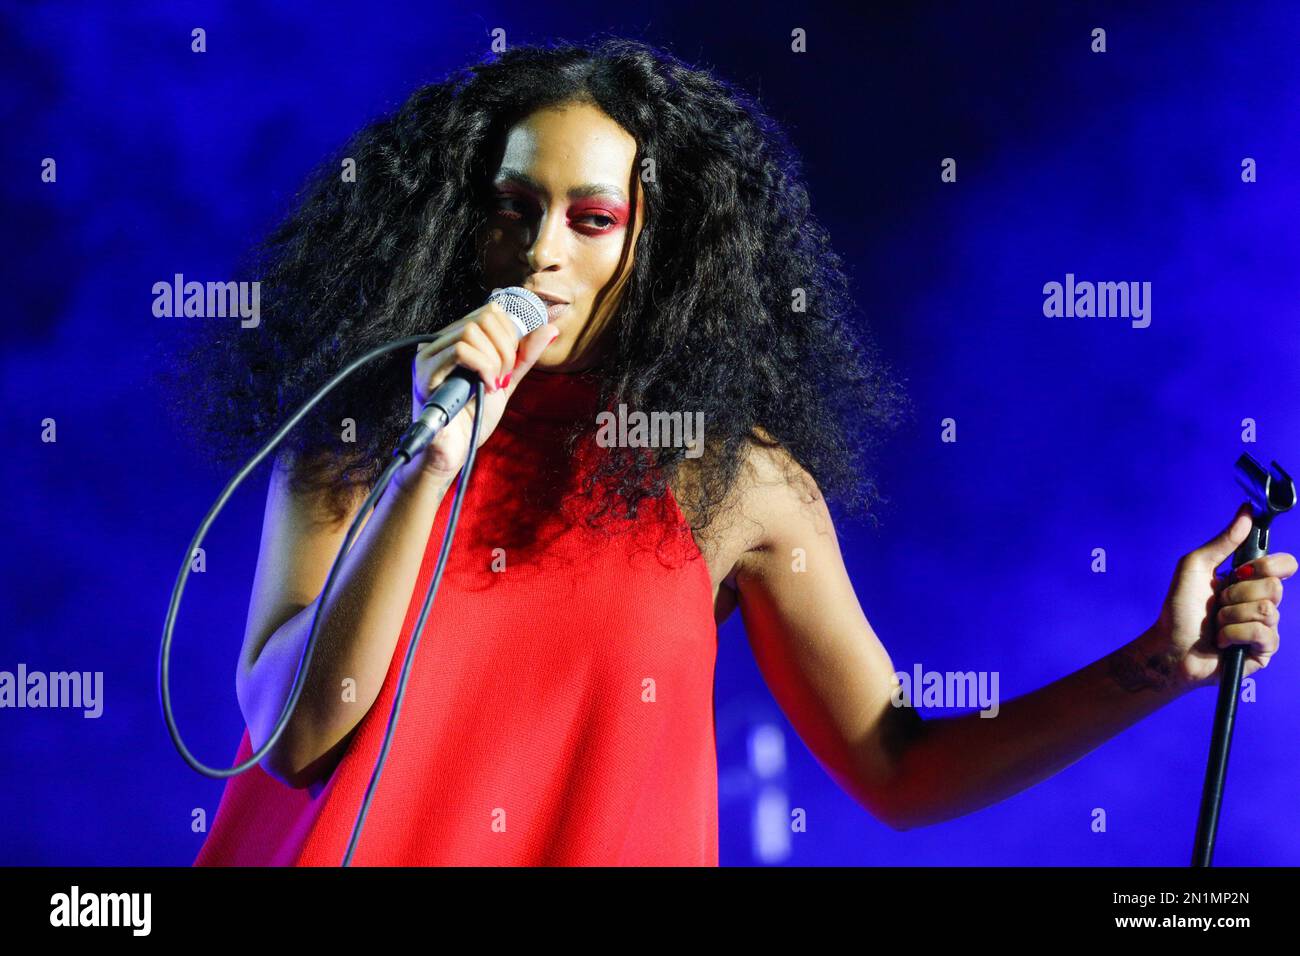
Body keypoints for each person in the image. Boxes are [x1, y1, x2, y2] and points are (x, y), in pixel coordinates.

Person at [173, 38, 1293, 866]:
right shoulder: (364, 441)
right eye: (514, 208)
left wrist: (1155, 662)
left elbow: (897, 770)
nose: (540, 252)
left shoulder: (732, 484)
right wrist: (429, 464)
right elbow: (295, 737)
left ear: (660, 243)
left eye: (590, 218)